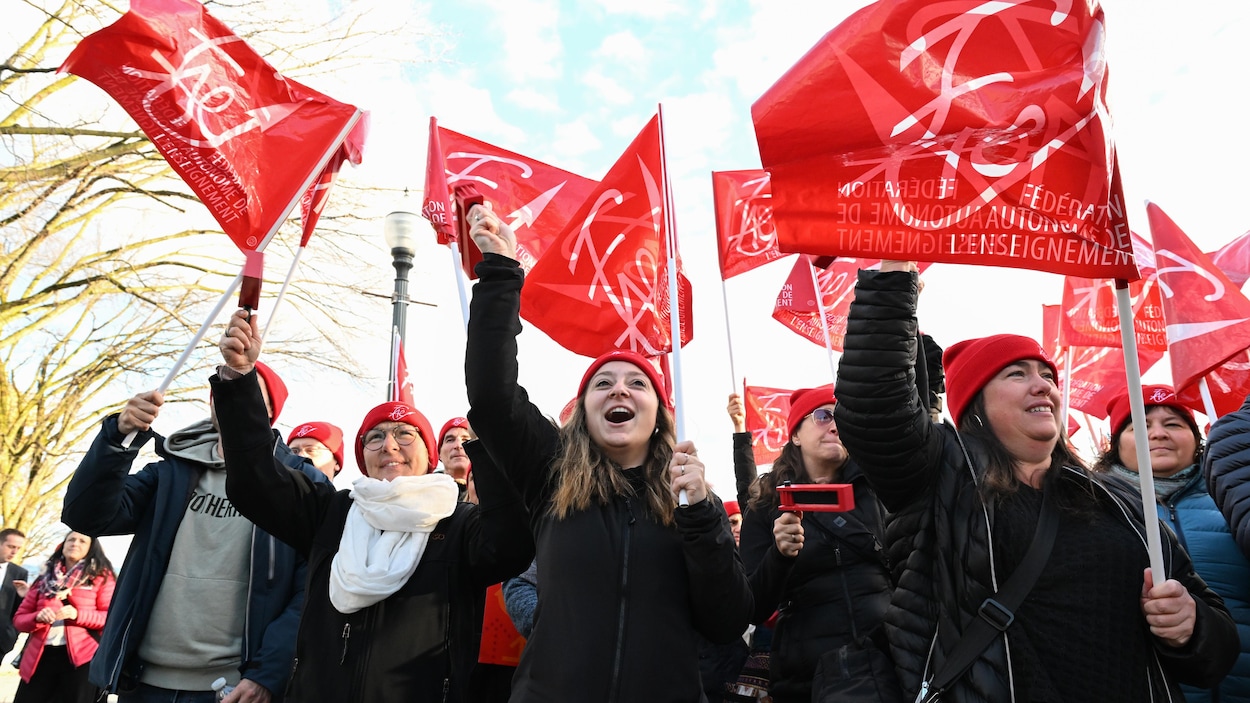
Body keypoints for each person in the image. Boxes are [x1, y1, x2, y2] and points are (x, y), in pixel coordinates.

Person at [833, 261, 1238, 702]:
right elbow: (876, 406)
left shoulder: (1120, 499)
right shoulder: (941, 477)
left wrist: (1190, 626)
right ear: (975, 403)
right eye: (1017, 374)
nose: (1043, 385)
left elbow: (1215, 643)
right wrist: (892, 281)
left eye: (1047, 375)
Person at [464, 202, 753, 702]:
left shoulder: (691, 502)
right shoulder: (551, 474)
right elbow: (491, 397)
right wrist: (501, 274)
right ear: (583, 412)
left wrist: (702, 518)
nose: (619, 389)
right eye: (603, 383)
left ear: (659, 415)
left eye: (637, 383)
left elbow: (727, 621)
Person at [211, 309, 534, 703]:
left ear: (429, 455)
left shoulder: (459, 523)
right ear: (362, 456)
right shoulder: (330, 512)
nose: (389, 445)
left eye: (404, 434)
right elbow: (254, 479)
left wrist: (491, 445)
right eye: (375, 437)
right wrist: (240, 379)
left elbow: (511, 545)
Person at [62, 360, 325, 702]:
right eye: (221, 386)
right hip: (142, 685)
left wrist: (267, 674)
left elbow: (311, 590)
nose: (229, 394)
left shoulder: (300, 482)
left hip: (234, 689)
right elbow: (86, 517)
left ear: (270, 411)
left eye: (242, 386)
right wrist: (117, 439)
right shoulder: (169, 473)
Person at [739, 385, 899, 703]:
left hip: (891, 661)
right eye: (823, 416)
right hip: (808, 678)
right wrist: (780, 555)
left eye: (843, 418)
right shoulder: (767, 504)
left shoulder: (879, 488)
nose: (836, 427)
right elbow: (753, 607)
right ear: (796, 435)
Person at [1095, 385, 1250, 702]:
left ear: (1196, 439)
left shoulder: (1236, 502)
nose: (1158, 433)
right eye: (1141, 425)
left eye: (1173, 424)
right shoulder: (1091, 512)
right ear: (1115, 444)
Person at [12, 531, 115, 703]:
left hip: (82, 659)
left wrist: (78, 615)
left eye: (82, 541)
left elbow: (110, 618)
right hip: (41, 657)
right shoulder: (43, 578)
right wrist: (37, 617)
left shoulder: (101, 577)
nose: (75, 543)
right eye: (71, 539)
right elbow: (19, 620)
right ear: (63, 545)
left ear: (91, 548)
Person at [0, 527, 29, 661]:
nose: (14, 552)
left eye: (18, 548)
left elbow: (19, 609)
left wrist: (10, 635)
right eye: (11, 546)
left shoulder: (19, 573)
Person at [439, 416, 474, 500]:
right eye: (450, 440)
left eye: (466, 440)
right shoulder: (425, 490)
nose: (458, 445)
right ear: (439, 453)